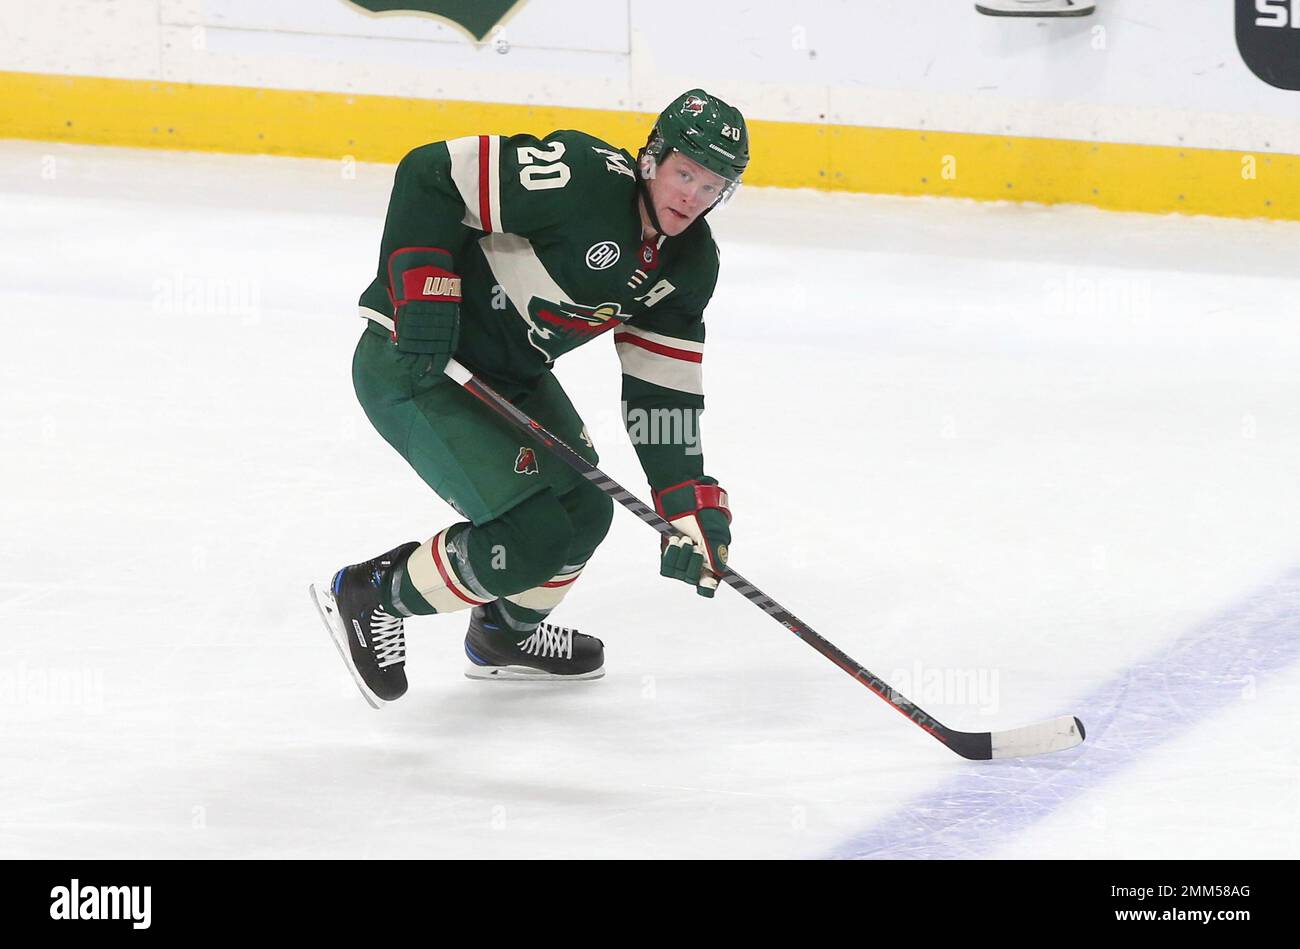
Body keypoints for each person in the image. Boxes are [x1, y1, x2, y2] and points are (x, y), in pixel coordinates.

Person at [310, 90, 749, 706]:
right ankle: (371, 593)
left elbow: (661, 385)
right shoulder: (581, 177)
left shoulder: (691, 263)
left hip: (508, 377)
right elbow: (431, 172)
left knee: (587, 512)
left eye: (712, 188)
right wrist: (425, 284)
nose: (692, 198)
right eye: (685, 175)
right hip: (413, 362)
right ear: (652, 158)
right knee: (532, 536)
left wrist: (684, 500)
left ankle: (502, 634)